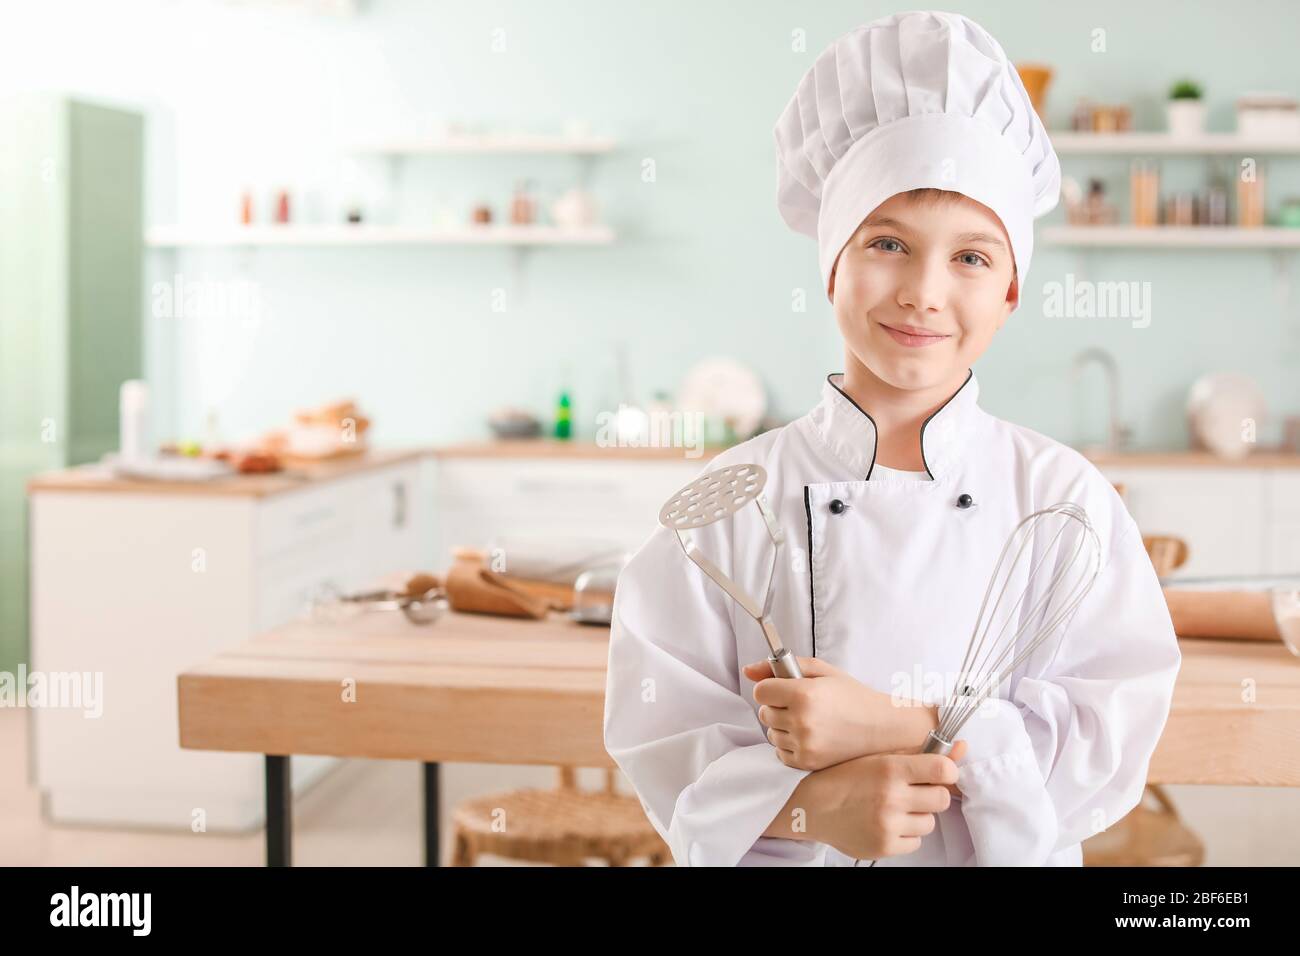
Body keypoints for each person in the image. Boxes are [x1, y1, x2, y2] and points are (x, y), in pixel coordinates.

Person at [603, 10, 1181, 867]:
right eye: (887, 243)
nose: (922, 292)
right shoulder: (724, 507)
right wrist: (807, 809)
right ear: (832, 262)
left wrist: (906, 725)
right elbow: (666, 743)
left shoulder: (1065, 499)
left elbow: (1105, 743)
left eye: (972, 259)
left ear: (1013, 290)